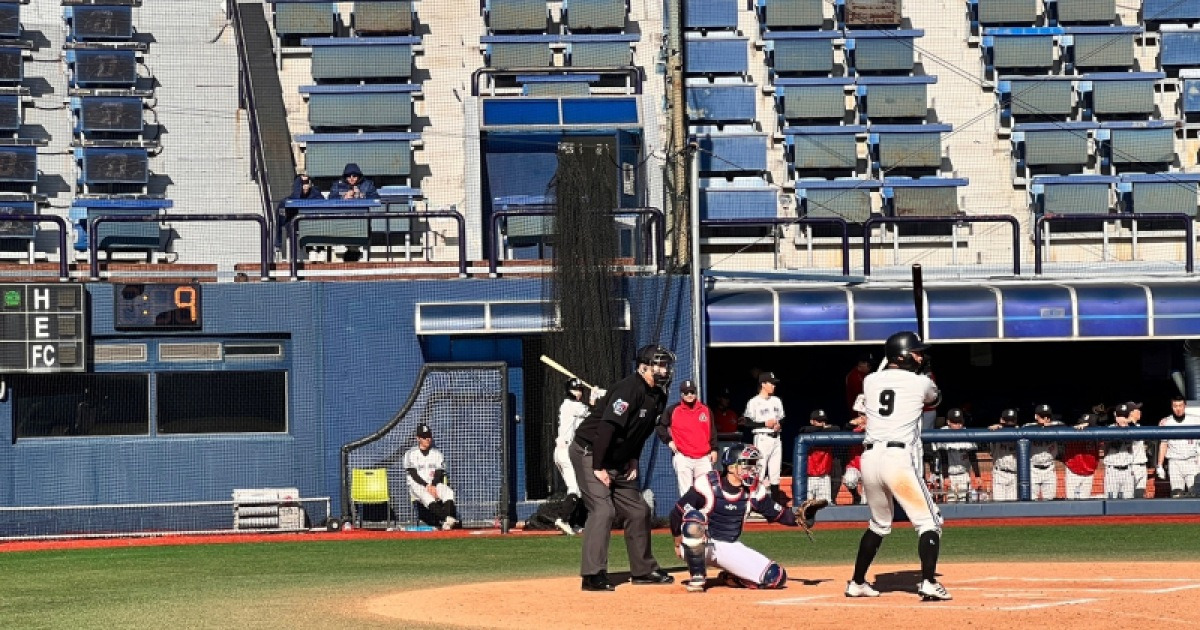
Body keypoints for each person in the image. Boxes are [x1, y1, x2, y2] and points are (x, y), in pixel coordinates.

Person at [846, 331, 951, 602]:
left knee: (879, 524)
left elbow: (885, 381)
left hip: (870, 459)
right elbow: (935, 399)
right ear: (902, 356)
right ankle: (928, 582)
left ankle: (857, 582)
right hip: (897, 458)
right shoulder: (920, 382)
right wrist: (922, 373)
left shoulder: (870, 380)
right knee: (930, 521)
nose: (920, 357)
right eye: (916, 353)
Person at [570, 344, 676, 592]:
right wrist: (598, 467)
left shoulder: (659, 394)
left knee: (639, 510)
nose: (664, 369)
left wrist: (633, 459)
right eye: (659, 364)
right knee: (603, 510)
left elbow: (640, 432)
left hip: (619, 459)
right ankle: (592, 574)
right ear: (643, 367)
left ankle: (644, 570)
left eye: (666, 364)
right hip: (590, 452)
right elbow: (606, 428)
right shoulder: (629, 389)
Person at [671, 444, 827, 593]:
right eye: (747, 465)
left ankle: (733, 578)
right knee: (693, 518)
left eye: (753, 465)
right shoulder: (708, 483)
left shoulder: (754, 490)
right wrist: (678, 542)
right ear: (731, 467)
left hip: (729, 546)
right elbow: (677, 512)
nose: (752, 470)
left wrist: (804, 517)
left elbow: (780, 514)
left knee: (776, 577)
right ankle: (697, 577)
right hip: (700, 545)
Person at [656, 379, 718, 496]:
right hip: (683, 456)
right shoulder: (673, 410)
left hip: (703, 456)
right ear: (681, 394)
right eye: (686, 393)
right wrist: (669, 441)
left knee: (706, 490)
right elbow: (660, 427)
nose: (689, 395)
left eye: (692, 392)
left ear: (695, 392)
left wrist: (714, 449)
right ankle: (688, 513)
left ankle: (703, 513)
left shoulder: (705, 410)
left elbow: (712, 431)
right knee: (686, 492)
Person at [552, 378, 593, 535]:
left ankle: (575, 523)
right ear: (569, 391)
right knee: (575, 488)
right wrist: (596, 397)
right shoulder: (571, 405)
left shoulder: (570, 405)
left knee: (579, 488)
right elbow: (592, 413)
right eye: (576, 390)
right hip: (567, 450)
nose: (579, 392)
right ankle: (562, 519)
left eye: (580, 390)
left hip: (563, 450)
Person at [403, 423, 460, 530]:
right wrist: (427, 485)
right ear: (418, 438)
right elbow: (413, 474)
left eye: (429, 436)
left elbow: (439, 471)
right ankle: (448, 519)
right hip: (418, 484)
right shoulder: (410, 453)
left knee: (448, 492)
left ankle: (446, 523)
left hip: (434, 483)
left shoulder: (437, 453)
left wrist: (433, 485)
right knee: (426, 495)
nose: (427, 439)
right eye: (424, 437)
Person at [744, 371, 788, 506]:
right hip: (762, 437)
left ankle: (775, 505)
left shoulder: (777, 400)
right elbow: (746, 422)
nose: (774, 386)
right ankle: (755, 504)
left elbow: (783, 418)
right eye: (772, 383)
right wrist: (764, 424)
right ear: (763, 384)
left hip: (776, 438)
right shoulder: (754, 402)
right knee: (759, 471)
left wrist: (779, 424)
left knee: (775, 473)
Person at [1157, 395, 1200, 498]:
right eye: (1175, 406)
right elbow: (1163, 444)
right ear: (1172, 407)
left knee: (1195, 494)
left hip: (1192, 461)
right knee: (1176, 494)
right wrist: (1160, 465)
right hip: (1175, 462)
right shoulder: (1166, 422)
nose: (1178, 408)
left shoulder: (1196, 421)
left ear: (1185, 405)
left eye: (1180, 405)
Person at [937, 408, 982, 503]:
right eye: (955, 422)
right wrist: (945, 477)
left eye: (960, 422)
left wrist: (977, 475)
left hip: (963, 474)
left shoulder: (967, 434)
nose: (958, 425)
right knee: (950, 502)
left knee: (964, 502)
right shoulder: (942, 433)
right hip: (949, 474)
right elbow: (943, 457)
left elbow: (973, 457)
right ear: (948, 422)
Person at [798, 409, 839, 503]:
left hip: (824, 477)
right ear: (811, 421)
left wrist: (823, 429)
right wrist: (823, 428)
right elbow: (803, 430)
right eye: (819, 421)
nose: (822, 423)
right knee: (806, 506)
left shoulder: (829, 434)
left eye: (824, 421)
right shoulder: (806, 433)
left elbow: (837, 428)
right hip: (808, 477)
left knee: (826, 505)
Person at [1099, 405, 1140, 499]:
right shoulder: (1109, 429)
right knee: (1110, 502)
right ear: (1115, 416)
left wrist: (1129, 422)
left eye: (1125, 416)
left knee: (1128, 502)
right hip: (1112, 470)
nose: (1122, 419)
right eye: (1120, 416)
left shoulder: (1132, 429)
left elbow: (1138, 438)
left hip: (1128, 471)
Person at [276, 173, 324, 250]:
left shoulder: (316, 195)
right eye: (301, 183)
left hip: (316, 231)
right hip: (295, 236)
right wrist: (278, 243)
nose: (305, 186)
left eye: (307, 182)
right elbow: (280, 223)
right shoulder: (286, 202)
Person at [1024, 404, 1062, 501]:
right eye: (1042, 416)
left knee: (1049, 502)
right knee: (1031, 501)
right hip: (1033, 470)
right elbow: (1023, 429)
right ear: (1036, 416)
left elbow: (1064, 426)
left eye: (1048, 416)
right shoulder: (1029, 427)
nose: (1045, 419)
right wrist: (1041, 427)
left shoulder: (1056, 426)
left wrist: (1049, 427)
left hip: (1049, 469)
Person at [1064, 413, 1100, 500]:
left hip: (1089, 472)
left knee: (1085, 503)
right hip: (1073, 472)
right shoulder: (1072, 433)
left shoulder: (1097, 433)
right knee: (1071, 503)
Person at [987, 409, 1020, 501]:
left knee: (1012, 507)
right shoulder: (995, 432)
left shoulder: (1020, 433)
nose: (1010, 422)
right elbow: (990, 451)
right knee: (998, 506)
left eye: (1012, 420)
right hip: (999, 473)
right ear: (1002, 420)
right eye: (1007, 420)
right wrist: (994, 429)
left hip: (1014, 474)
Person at [842, 395, 868, 504]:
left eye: (864, 414)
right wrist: (850, 425)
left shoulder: (877, 428)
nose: (861, 417)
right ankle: (855, 496)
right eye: (860, 414)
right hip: (855, 466)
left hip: (872, 466)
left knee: (866, 502)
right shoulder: (853, 427)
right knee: (849, 480)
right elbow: (841, 433)